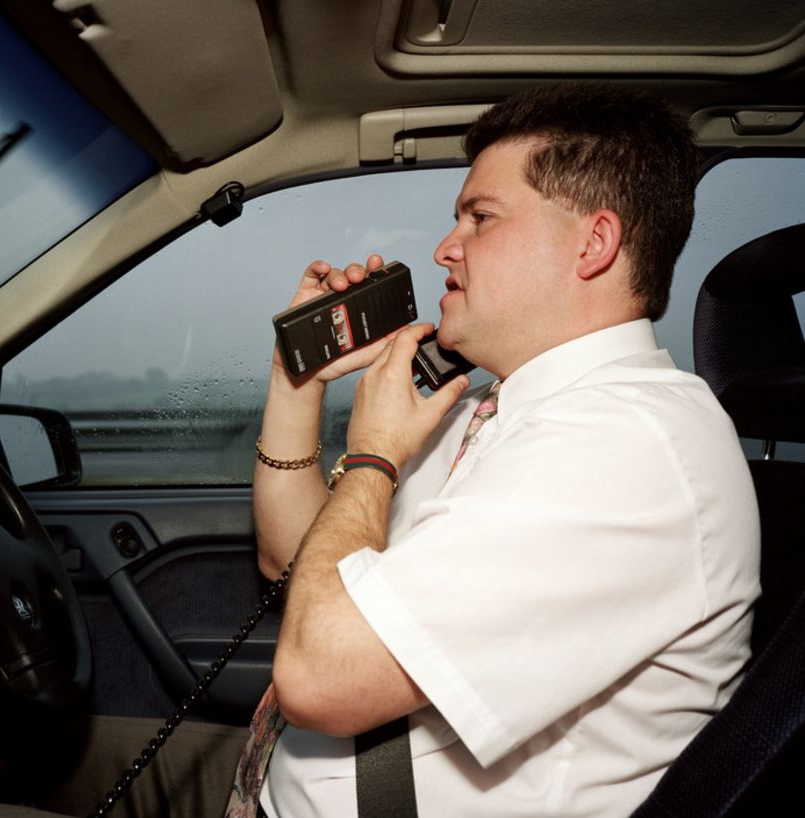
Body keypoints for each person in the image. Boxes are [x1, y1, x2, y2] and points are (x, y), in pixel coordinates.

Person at [251, 84, 760, 817]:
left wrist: (372, 456)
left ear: (594, 243)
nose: (443, 249)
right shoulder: (501, 409)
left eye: (480, 218)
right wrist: (297, 383)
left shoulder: (626, 448)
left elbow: (321, 677)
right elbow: (298, 564)